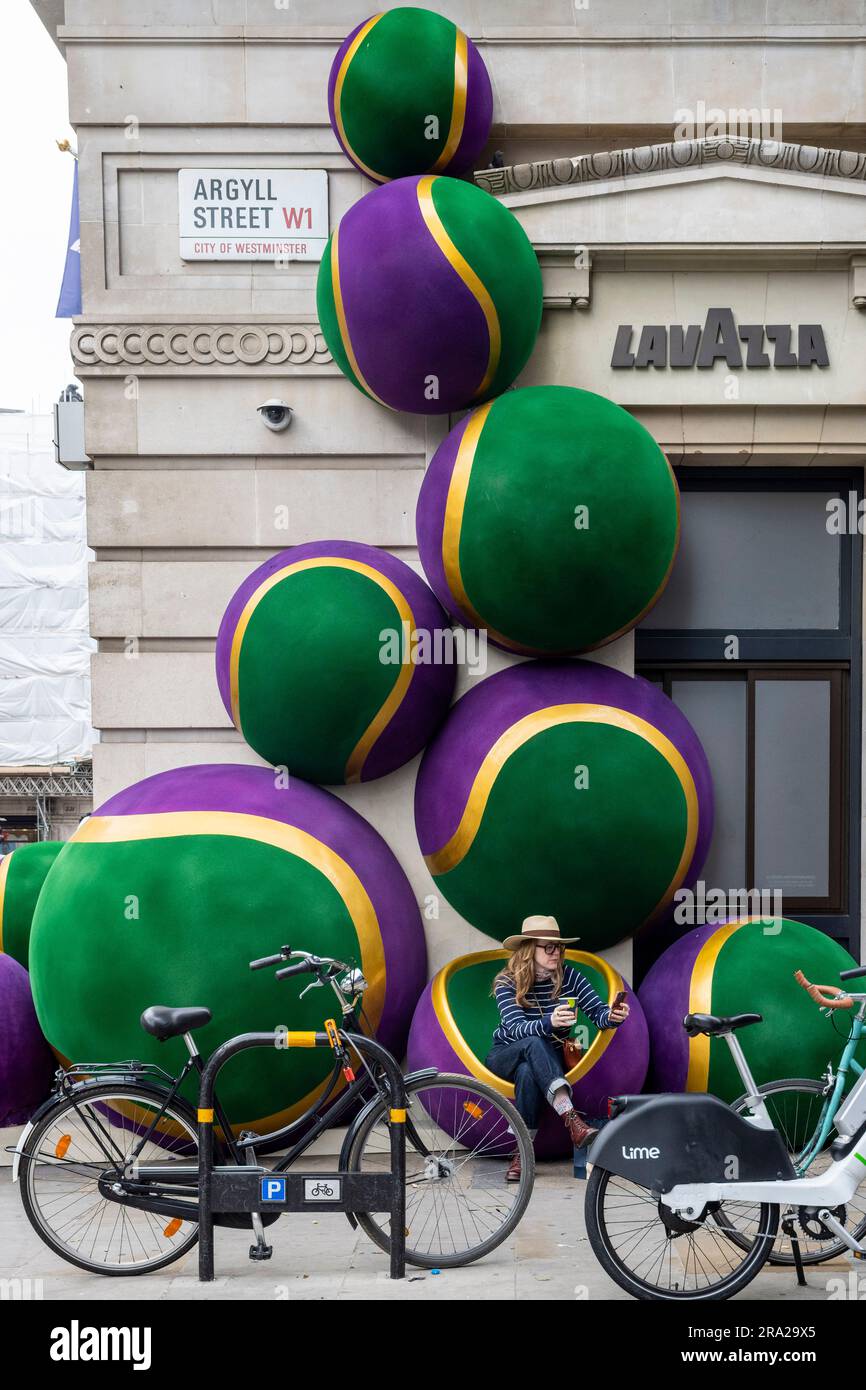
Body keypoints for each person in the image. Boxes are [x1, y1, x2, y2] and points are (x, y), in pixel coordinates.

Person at [486, 915, 630, 1182]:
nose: (556, 953)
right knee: (532, 1042)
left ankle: (522, 1152)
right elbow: (516, 1029)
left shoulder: (569, 977)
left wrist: (613, 1016)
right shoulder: (507, 982)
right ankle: (573, 1119)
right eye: (548, 947)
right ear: (530, 949)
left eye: (559, 947)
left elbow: (598, 1014)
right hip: (505, 1054)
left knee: (529, 1072)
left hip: (544, 1062)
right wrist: (549, 1022)